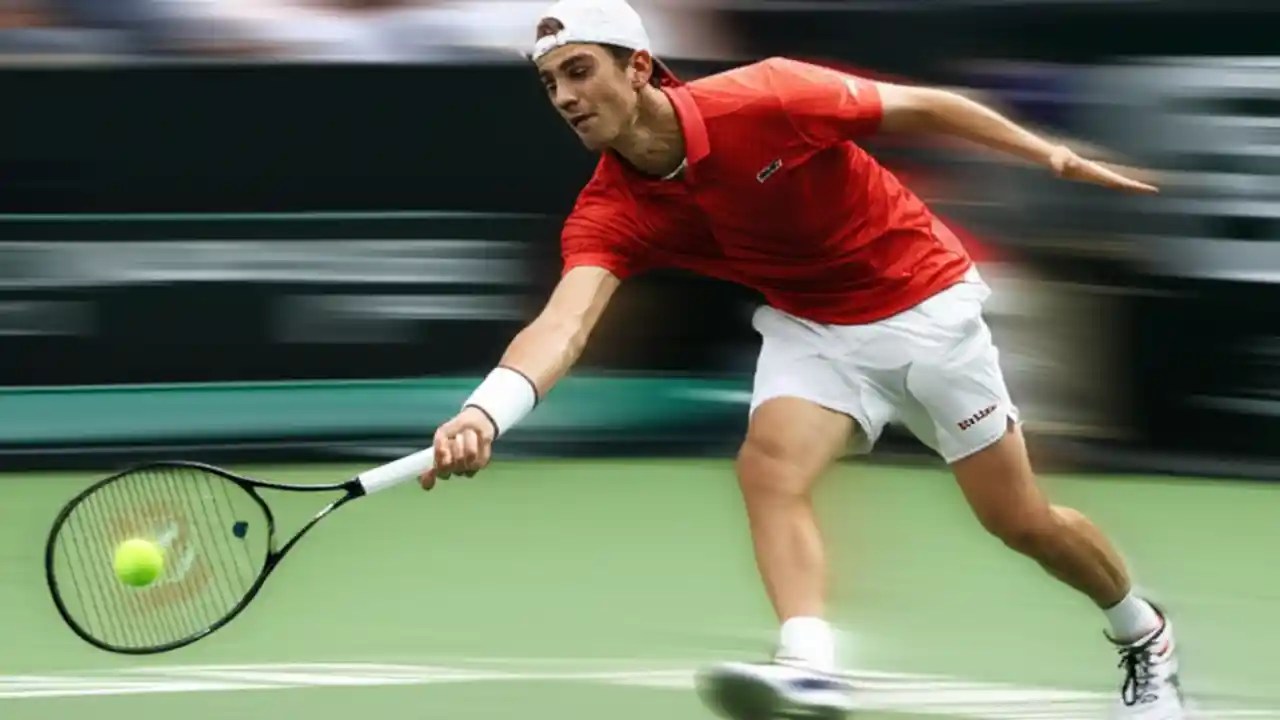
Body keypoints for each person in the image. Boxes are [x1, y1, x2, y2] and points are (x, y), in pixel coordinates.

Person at [417, 1, 1183, 717]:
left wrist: (1047, 154)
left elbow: (927, 106)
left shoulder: (768, 97)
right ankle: (810, 663)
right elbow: (565, 324)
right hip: (814, 329)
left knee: (1021, 522)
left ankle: (1142, 630)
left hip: (925, 305)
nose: (563, 96)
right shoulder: (610, 208)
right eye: (550, 81)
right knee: (769, 469)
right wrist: (487, 411)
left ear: (640, 68)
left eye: (580, 70)